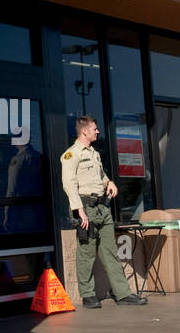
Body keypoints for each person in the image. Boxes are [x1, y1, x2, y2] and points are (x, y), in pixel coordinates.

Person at [61, 116, 147, 309]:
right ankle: (88, 295)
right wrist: (79, 211)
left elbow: (100, 175)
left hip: (102, 208)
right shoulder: (71, 155)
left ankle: (123, 294)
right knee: (87, 253)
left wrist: (109, 182)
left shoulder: (94, 153)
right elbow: (69, 184)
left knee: (110, 252)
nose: (97, 131)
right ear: (84, 131)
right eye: (94, 129)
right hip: (85, 208)